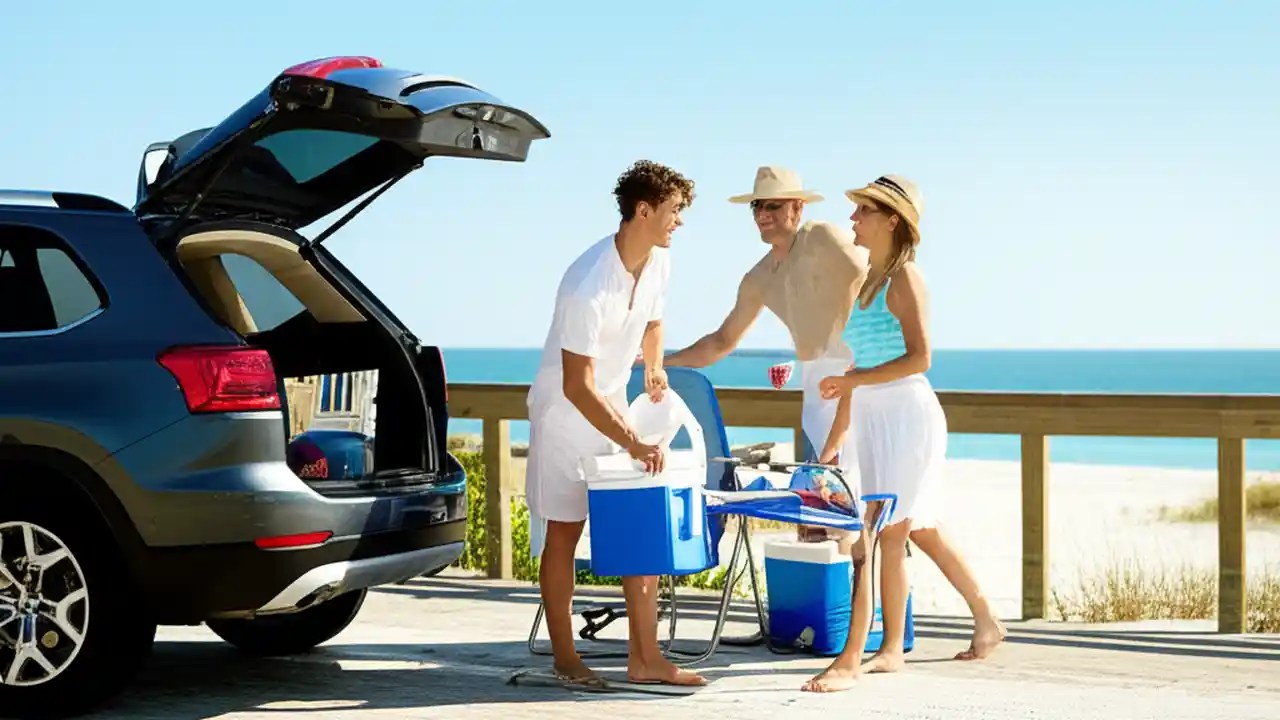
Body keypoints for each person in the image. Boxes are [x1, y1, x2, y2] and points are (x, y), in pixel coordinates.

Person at [801, 175, 1006, 693]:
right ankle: (985, 619)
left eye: (863, 211)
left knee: (878, 532)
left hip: (908, 416)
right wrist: (831, 445)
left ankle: (861, 655)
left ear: (892, 219)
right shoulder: (863, 283)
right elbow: (859, 369)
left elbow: (920, 357)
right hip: (872, 417)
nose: (853, 220)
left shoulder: (906, 278)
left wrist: (852, 381)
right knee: (914, 528)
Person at [524, 159, 706, 689]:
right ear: (642, 210)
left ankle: (645, 658)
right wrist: (631, 440)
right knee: (564, 533)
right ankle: (566, 658)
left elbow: (653, 320)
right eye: (674, 211)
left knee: (642, 520)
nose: (680, 222)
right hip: (564, 413)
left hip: (612, 404)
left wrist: (653, 363)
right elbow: (578, 384)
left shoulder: (658, 263)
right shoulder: (587, 285)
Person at [663, 165, 870, 481]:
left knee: (859, 501)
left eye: (773, 205)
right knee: (827, 508)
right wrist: (660, 363)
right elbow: (721, 341)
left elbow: (868, 275)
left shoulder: (819, 237)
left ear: (798, 207)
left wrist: (856, 355)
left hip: (854, 376)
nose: (762, 213)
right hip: (815, 387)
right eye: (756, 205)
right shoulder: (758, 278)